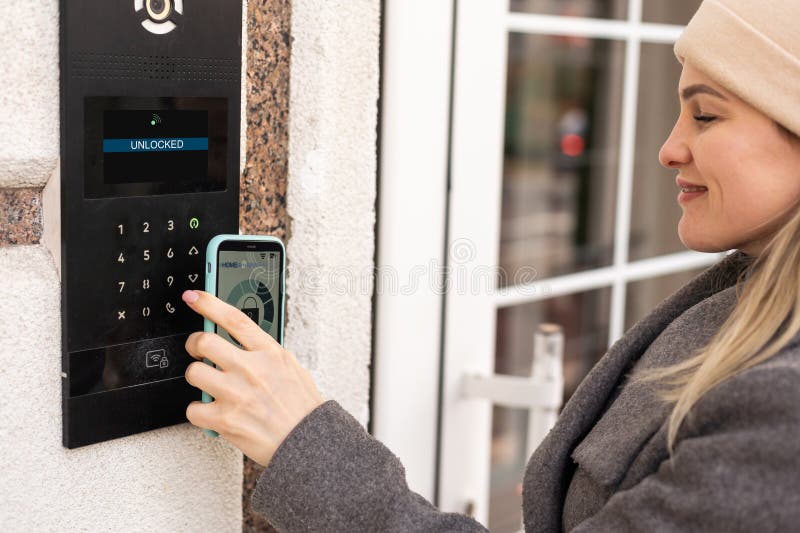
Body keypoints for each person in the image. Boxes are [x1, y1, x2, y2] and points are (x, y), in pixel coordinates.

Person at [180, 0, 800, 530]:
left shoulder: (782, 412)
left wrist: (304, 446)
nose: (670, 148)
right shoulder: (746, 297)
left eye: (707, 114)